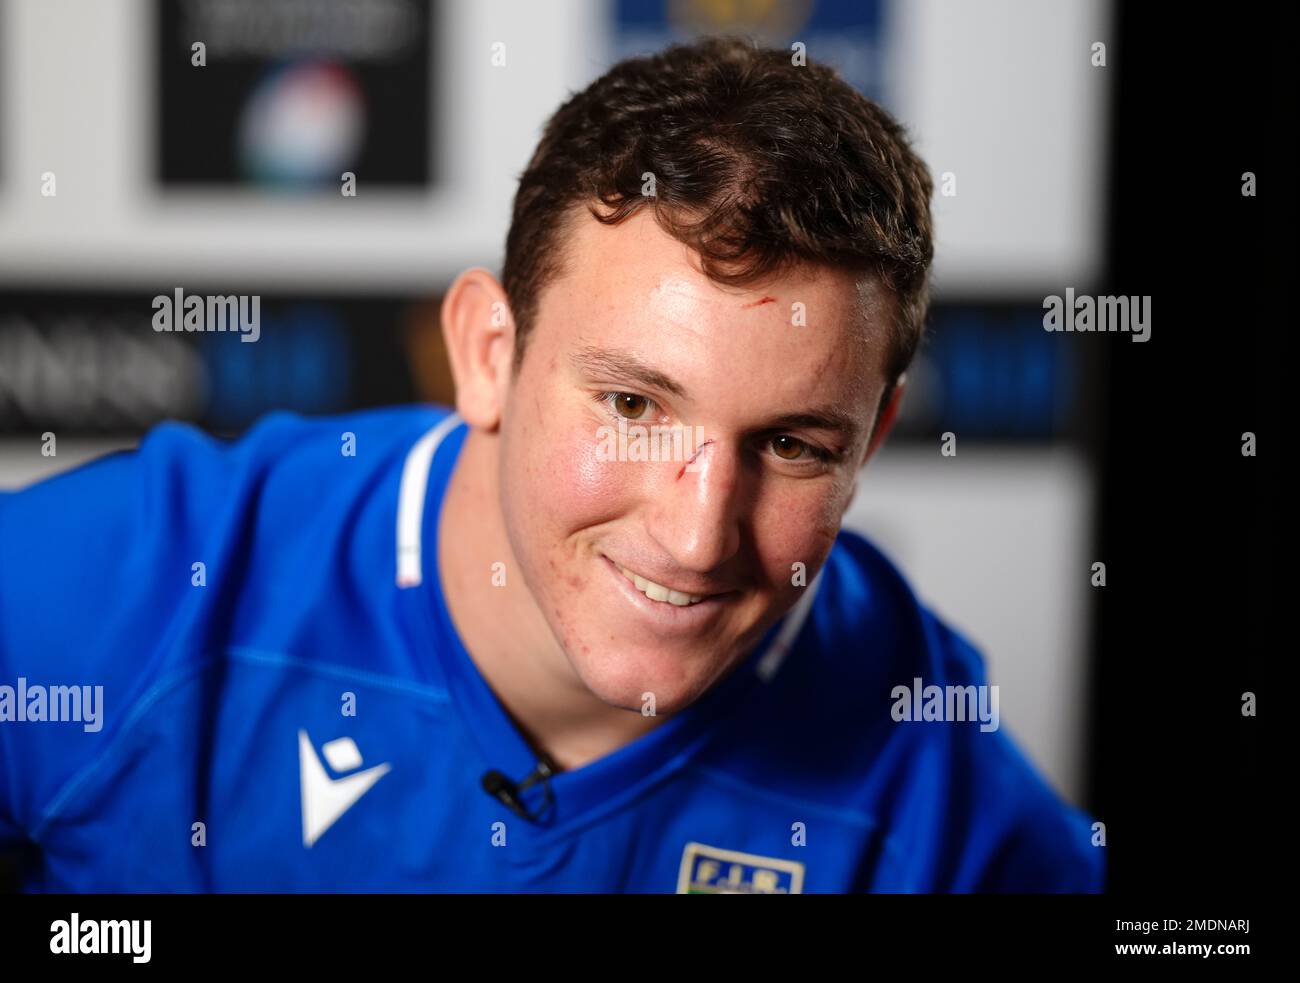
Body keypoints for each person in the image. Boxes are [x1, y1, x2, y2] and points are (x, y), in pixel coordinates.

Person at [0, 38, 1102, 892]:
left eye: (791, 444)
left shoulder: (929, 773)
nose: (697, 535)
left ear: (871, 441)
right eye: (633, 405)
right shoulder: (132, 595)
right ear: (488, 354)